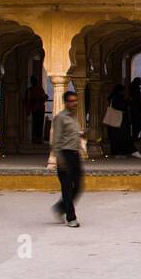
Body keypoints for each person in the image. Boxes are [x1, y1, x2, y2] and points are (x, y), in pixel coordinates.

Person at [50, 90, 84, 227]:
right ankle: (71, 217)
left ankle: (60, 208)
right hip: (65, 155)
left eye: (75, 100)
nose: (74, 103)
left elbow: (72, 135)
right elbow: (56, 140)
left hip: (75, 154)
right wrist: (59, 158)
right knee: (67, 187)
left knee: (78, 186)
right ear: (65, 102)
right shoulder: (60, 118)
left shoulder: (74, 117)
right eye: (71, 101)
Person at [104, 84, 141, 159]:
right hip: (120, 121)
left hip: (115, 122)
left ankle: (118, 153)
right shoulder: (117, 98)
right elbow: (120, 107)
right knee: (124, 137)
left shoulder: (112, 97)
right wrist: (128, 102)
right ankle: (132, 151)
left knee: (116, 138)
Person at [26, 76, 48, 145]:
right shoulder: (32, 90)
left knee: (38, 124)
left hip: (38, 109)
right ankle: (36, 139)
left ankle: (38, 139)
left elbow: (45, 97)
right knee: (37, 124)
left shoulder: (37, 89)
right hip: (37, 109)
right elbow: (28, 100)